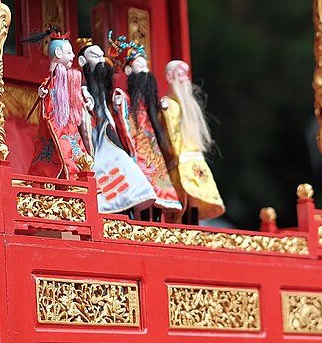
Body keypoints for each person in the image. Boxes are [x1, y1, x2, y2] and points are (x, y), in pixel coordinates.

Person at [107, 33, 183, 221]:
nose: (145, 71)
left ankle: (156, 218)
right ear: (127, 71)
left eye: (146, 67)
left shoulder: (149, 103)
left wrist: (164, 108)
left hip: (151, 147)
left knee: (158, 184)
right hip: (135, 146)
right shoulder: (123, 97)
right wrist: (119, 102)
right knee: (140, 182)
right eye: (139, 67)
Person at [79, 42, 156, 215]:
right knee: (114, 167)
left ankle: (128, 210)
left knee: (126, 167)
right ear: (82, 61)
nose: (101, 61)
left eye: (101, 56)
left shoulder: (104, 92)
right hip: (97, 141)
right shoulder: (83, 91)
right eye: (95, 56)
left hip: (110, 136)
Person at [161, 60, 225, 224]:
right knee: (181, 202)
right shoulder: (169, 106)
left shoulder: (189, 107)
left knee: (195, 200)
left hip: (193, 160)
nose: (184, 79)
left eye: (185, 76)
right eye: (180, 75)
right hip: (178, 160)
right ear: (169, 77)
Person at [27, 31, 91, 178]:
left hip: (69, 127)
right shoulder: (50, 83)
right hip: (55, 125)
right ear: (58, 52)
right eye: (69, 52)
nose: (73, 56)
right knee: (53, 152)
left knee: (72, 149)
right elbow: (46, 100)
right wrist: (42, 93)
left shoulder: (72, 79)